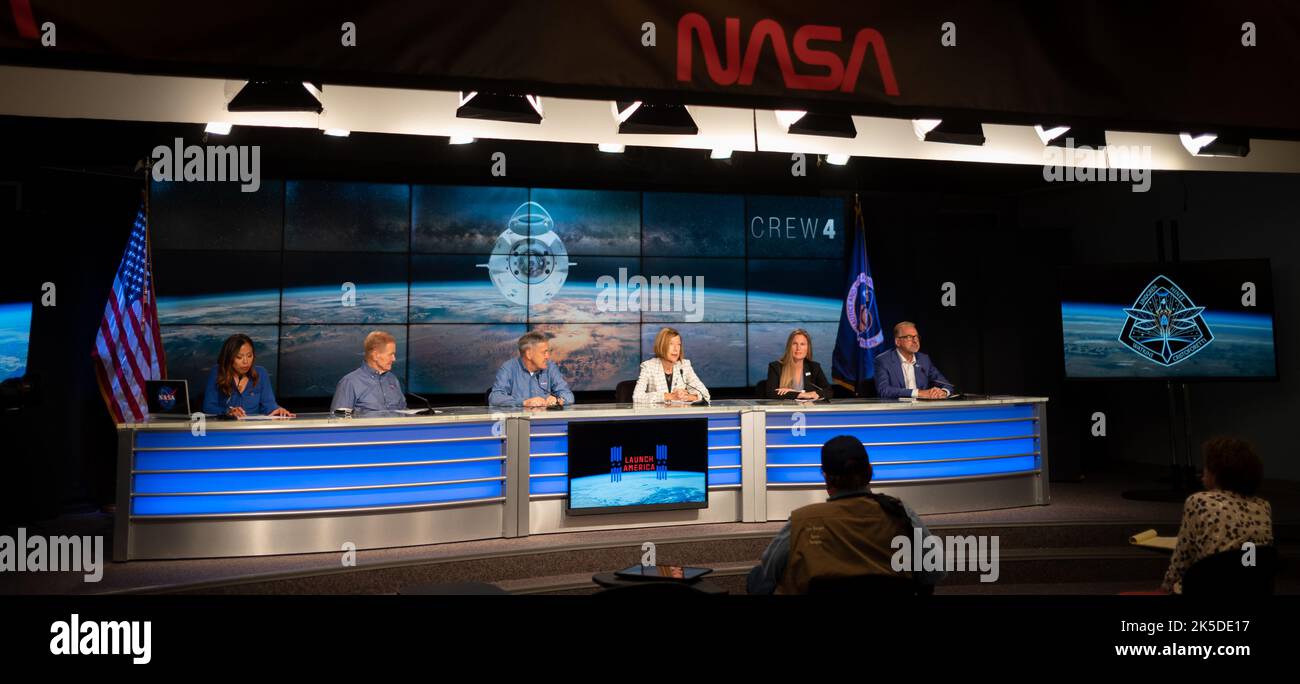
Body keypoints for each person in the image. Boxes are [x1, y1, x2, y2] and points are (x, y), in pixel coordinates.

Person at [747, 435, 945, 594]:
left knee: (757, 579)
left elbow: (769, 571)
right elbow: (933, 572)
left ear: (826, 477)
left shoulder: (803, 521)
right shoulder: (900, 512)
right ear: (869, 471)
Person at [1161, 437, 1273, 594]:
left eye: (1206, 466)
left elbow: (1182, 558)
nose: (1203, 471)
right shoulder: (1263, 506)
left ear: (1217, 472)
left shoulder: (1199, 501)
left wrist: (1165, 588)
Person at [201, 334, 293, 418]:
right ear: (229, 358)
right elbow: (208, 407)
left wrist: (277, 410)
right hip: (227, 428)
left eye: (249, 356)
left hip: (253, 429)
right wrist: (228, 411)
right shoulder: (217, 372)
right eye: (239, 357)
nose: (246, 362)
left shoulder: (261, 373)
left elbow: (269, 404)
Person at [489, 331, 575, 407]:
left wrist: (557, 400)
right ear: (529, 354)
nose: (547, 356)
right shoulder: (509, 368)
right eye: (543, 352)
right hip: (518, 421)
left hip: (544, 421)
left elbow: (568, 396)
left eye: (548, 352)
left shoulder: (550, 367)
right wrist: (524, 402)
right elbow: (495, 397)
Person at [330, 330, 408, 413]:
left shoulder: (392, 379)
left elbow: (404, 412)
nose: (394, 359)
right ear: (375, 355)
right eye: (390, 354)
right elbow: (338, 419)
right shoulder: (350, 383)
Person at [874, 321, 953, 399]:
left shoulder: (924, 359)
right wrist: (919, 393)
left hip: (922, 408)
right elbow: (884, 390)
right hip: (896, 409)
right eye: (909, 337)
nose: (915, 341)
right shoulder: (883, 360)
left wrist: (943, 392)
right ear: (898, 342)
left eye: (916, 337)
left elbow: (945, 384)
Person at [632, 327, 710, 403]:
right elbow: (637, 397)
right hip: (657, 414)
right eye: (671, 344)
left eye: (678, 344)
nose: (676, 349)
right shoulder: (649, 366)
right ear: (661, 346)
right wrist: (669, 396)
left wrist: (686, 397)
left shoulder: (684, 365)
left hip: (680, 414)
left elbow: (705, 394)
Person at [765, 328, 831, 401]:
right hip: (785, 410)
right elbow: (770, 393)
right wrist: (801, 394)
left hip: (809, 410)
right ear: (789, 347)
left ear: (808, 348)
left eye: (802, 344)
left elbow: (828, 391)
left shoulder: (814, 367)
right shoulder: (776, 367)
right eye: (795, 344)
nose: (798, 348)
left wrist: (815, 394)